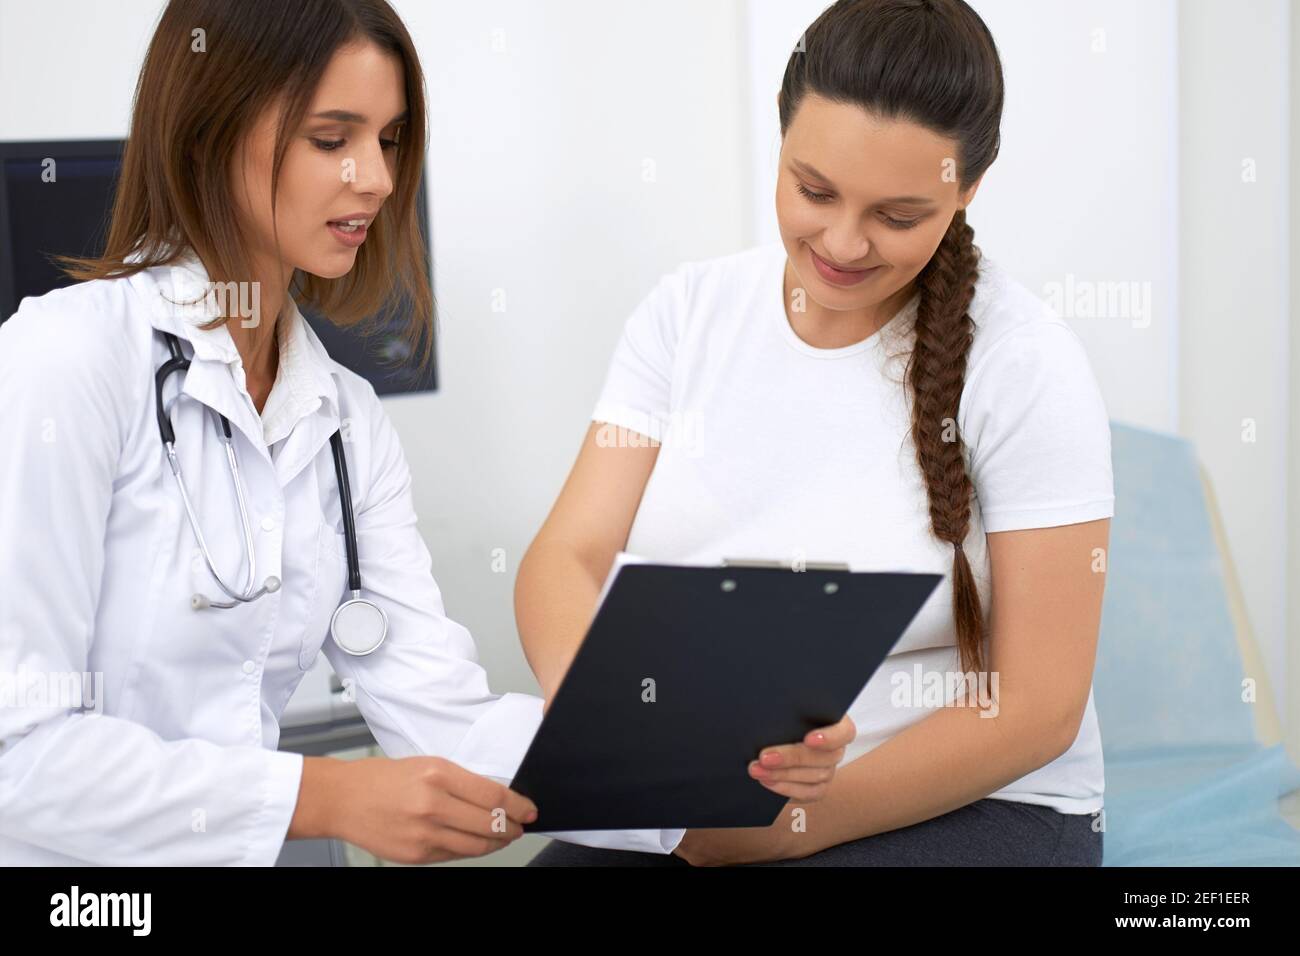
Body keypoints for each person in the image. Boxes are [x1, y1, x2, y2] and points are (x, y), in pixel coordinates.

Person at [0, 0, 852, 867]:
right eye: (332, 139)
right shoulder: (66, 362)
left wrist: (711, 751)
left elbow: (445, 718)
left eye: (391, 140)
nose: (373, 177)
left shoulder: (344, 423)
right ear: (210, 132)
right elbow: (15, 754)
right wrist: (323, 794)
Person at [517, 0, 1112, 866]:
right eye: (813, 189)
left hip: (978, 806)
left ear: (968, 188)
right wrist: (611, 718)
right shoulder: (688, 315)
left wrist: (780, 831)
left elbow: (1038, 708)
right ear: (782, 143)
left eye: (897, 216)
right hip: (707, 792)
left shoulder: (1026, 365)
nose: (841, 241)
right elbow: (565, 556)